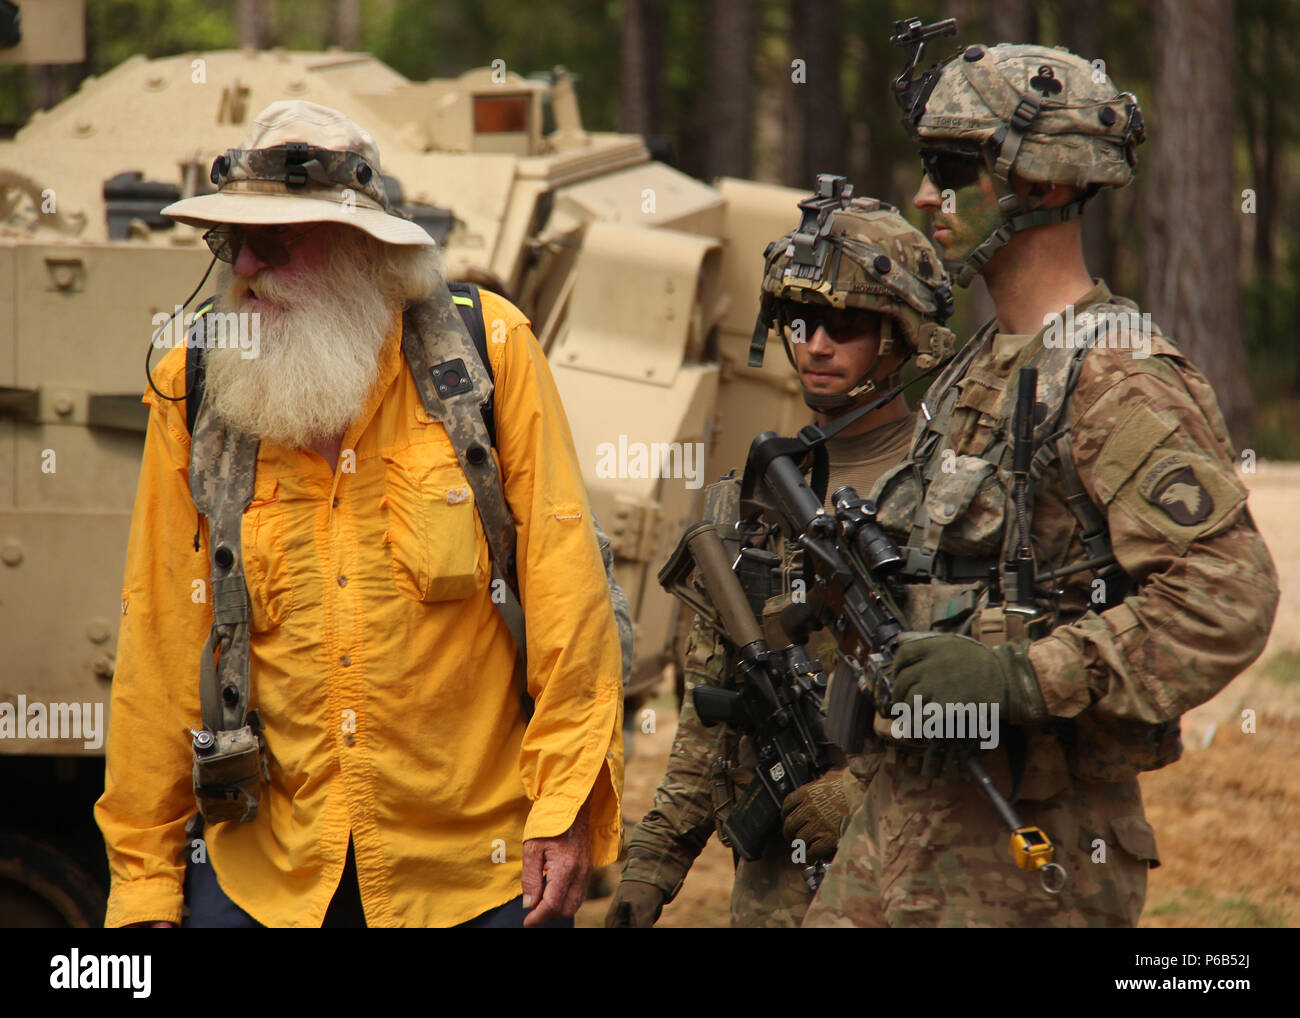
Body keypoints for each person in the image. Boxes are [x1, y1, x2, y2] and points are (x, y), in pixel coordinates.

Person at [94, 100, 624, 928]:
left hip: (471, 876)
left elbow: (568, 598)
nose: (246, 269)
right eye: (233, 242)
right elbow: (160, 633)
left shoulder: (490, 353)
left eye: (275, 241)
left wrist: (563, 809)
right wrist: (145, 879)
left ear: (360, 247)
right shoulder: (196, 383)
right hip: (266, 873)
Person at [802, 41, 1279, 928]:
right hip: (902, 833)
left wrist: (1022, 677)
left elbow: (1226, 596)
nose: (921, 197)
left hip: (1026, 858)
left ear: (1047, 186)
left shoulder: (1114, 375)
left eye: (950, 168)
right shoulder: (974, 366)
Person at [606, 179, 955, 927]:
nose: (816, 344)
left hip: (910, 882)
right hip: (772, 893)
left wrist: (865, 789)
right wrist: (650, 869)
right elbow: (713, 717)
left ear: (901, 335)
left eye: (846, 322)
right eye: (798, 320)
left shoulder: (955, 490)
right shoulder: (758, 498)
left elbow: (989, 706)